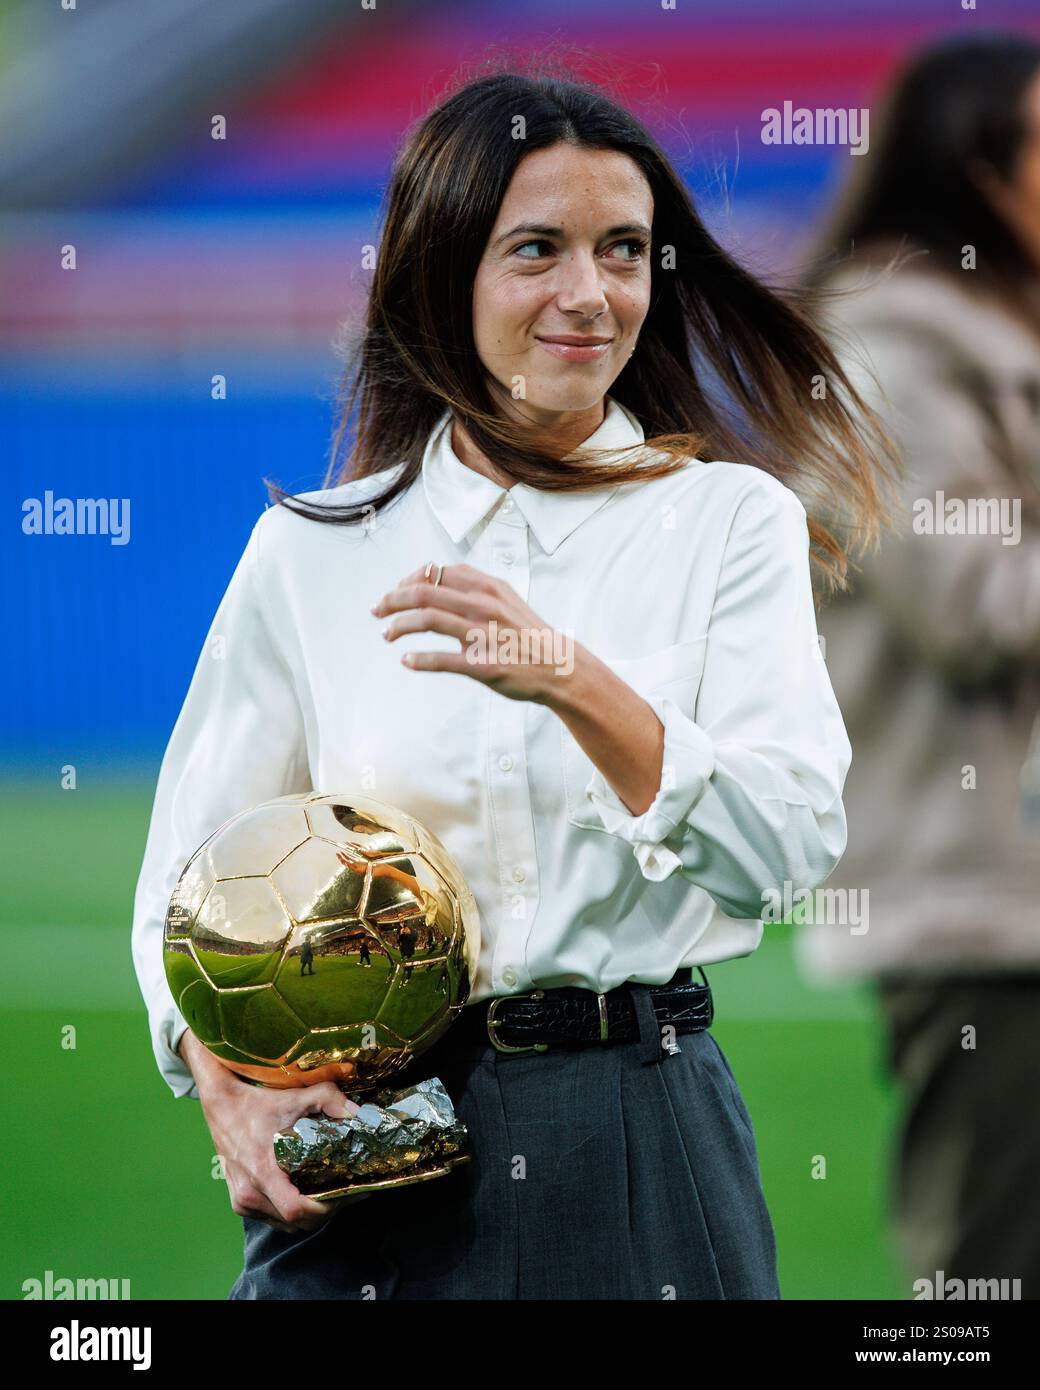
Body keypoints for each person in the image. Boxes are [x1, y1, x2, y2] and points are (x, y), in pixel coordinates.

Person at [131, 62, 896, 1300]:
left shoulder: (725, 521)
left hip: (637, 1134)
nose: (590, 293)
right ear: (443, 274)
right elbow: (183, 879)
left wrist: (571, 680)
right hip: (368, 1151)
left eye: (625, 250)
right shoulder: (314, 547)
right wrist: (219, 1077)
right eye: (535, 249)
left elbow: (787, 845)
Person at [795, 34, 1040, 1297]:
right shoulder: (883, 350)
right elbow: (975, 598)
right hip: (980, 894)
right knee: (986, 1273)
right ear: (976, 172)